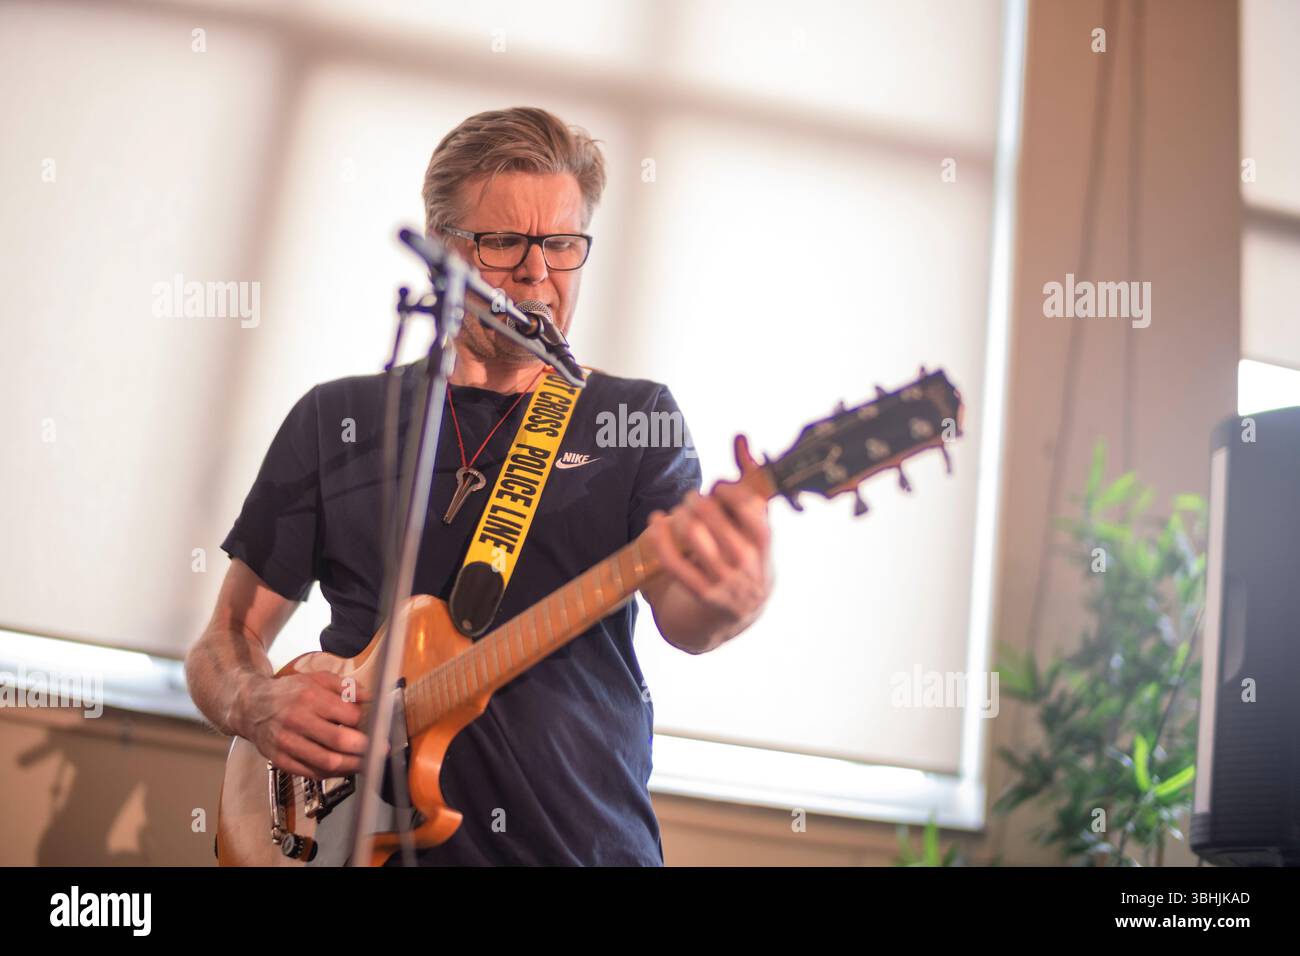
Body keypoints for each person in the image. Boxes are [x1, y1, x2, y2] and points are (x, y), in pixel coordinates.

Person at [184, 106, 774, 865]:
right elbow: (225, 639)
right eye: (502, 243)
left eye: (563, 243)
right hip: (361, 847)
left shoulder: (634, 417)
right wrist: (254, 703)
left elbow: (686, 619)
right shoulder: (338, 417)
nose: (538, 273)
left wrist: (734, 599)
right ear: (439, 250)